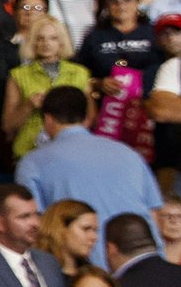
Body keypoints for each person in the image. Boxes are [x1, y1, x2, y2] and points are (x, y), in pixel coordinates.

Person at [15, 83, 163, 240]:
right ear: (86, 118)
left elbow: (31, 225)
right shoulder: (129, 154)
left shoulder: (32, 163)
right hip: (140, 258)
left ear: (48, 119)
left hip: (76, 262)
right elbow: (154, 214)